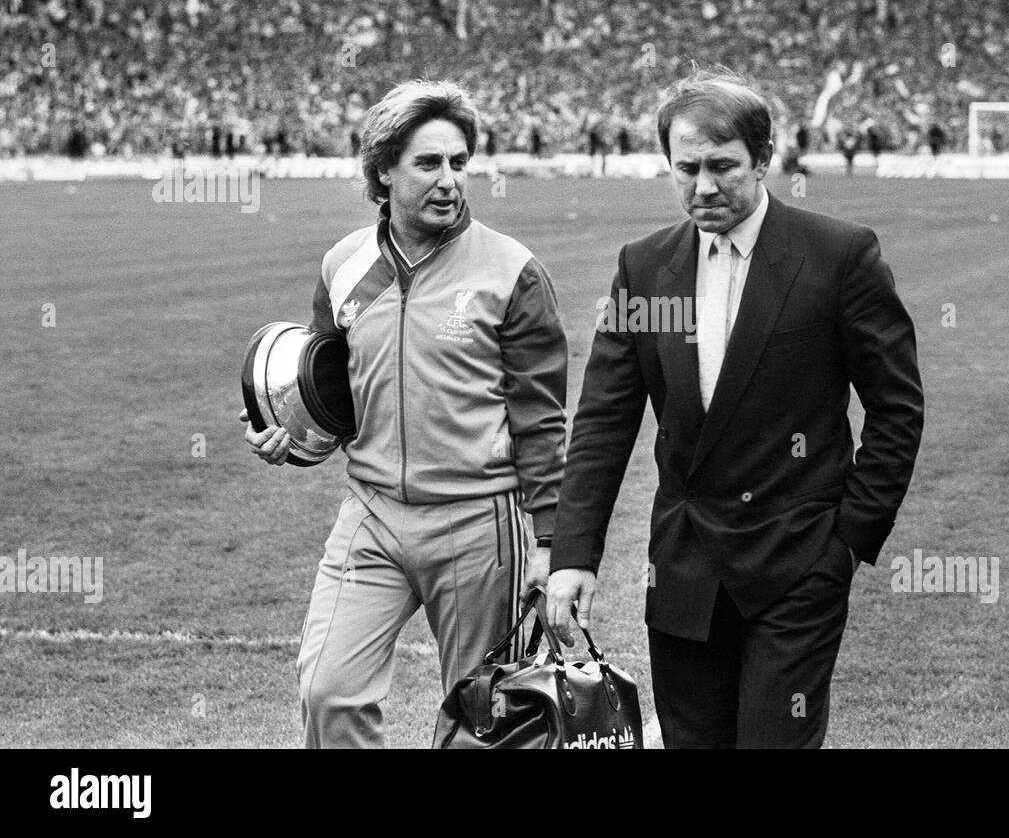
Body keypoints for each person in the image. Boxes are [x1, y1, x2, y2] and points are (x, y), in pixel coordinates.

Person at [546, 70, 924, 748]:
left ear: (763, 158)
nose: (703, 187)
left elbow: (897, 407)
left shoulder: (838, 256)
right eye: (685, 168)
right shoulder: (643, 266)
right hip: (685, 569)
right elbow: (603, 420)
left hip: (798, 564)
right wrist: (573, 554)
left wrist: (847, 542)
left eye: (722, 166)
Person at [240, 80, 567, 748]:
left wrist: (555, 539)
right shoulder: (343, 265)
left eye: (458, 162)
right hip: (372, 515)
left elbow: (542, 420)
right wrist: (284, 433)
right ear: (382, 170)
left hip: (478, 522)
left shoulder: (513, 272)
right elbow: (328, 390)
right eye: (428, 163)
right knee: (327, 690)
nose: (449, 180)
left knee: (482, 722)